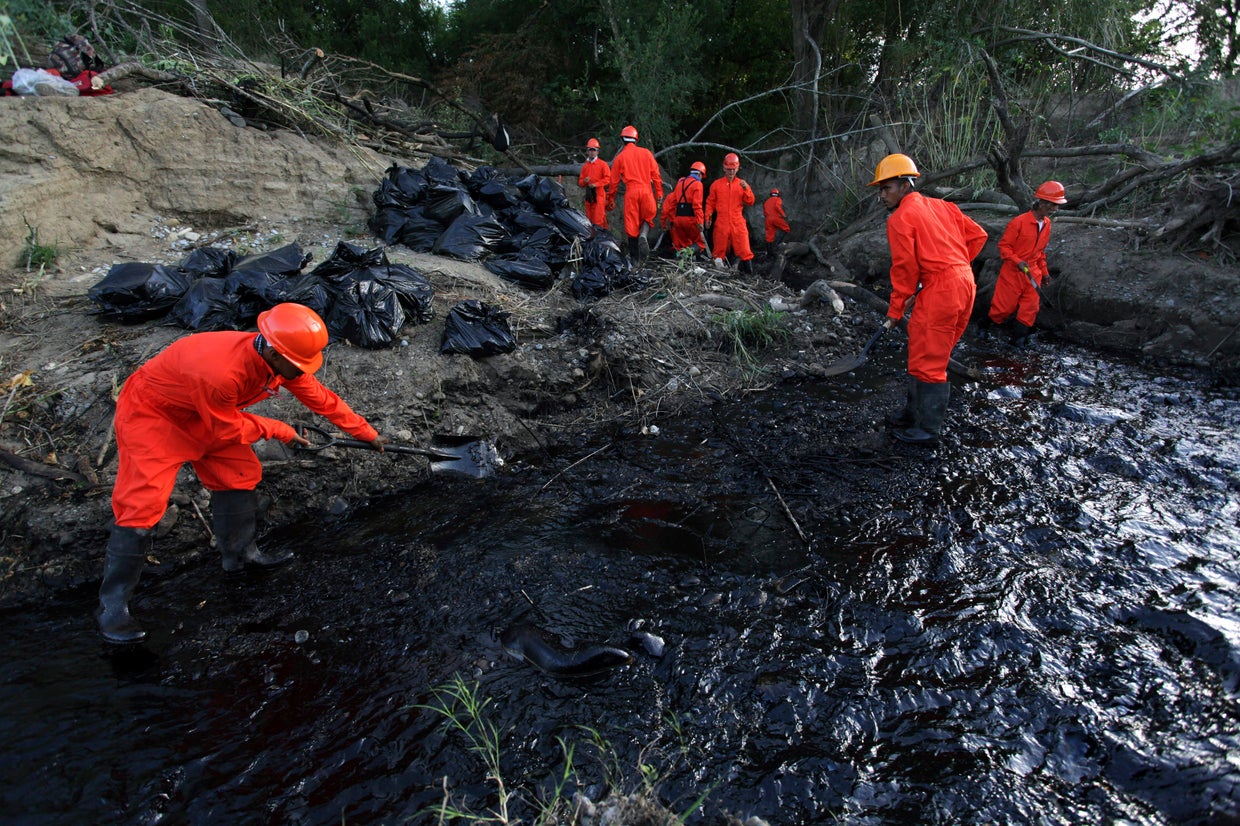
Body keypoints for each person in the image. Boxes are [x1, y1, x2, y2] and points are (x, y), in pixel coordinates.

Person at [97, 303, 388, 644]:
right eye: (298, 365)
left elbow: (319, 397)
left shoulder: (278, 362)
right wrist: (279, 430)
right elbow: (224, 429)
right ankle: (112, 607)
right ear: (274, 351)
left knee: (238, 474)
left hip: (207, 413)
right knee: (142, 504)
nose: (301, 372)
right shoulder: (220, 372)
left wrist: (365, 432)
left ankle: (240, 557)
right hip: (155, 415)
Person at [869, 153, 988, 445]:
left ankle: (928, 431)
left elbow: (905, 269)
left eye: (887, 188)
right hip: (964, 284)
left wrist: (897, 309)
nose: (882, 195)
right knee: (926, 351)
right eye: (880, 189)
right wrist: (954, 267)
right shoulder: (942, 206)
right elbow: (978, 236)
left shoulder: (900, 218)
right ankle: (912, 415)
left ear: (906, 184)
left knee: (929, 360)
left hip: (942, 291)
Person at [988, 180, 1067, 345]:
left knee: (1029, 311)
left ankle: (1018, 344)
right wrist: (1017, 261)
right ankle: (984, 328)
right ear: (1042, 204)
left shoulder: (1047, 224)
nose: (1055, 209)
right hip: (1012, 274)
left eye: (1056, 206)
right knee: (1002, 310)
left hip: (1033, 274)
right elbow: (1004, 247)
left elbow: (1040, 253)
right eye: (1053, 205)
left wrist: (1044, 273)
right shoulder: (1018, 222)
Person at [605, 124, 663, 264]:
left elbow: (613, 183)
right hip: (646, 191)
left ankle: (635, 260)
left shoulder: (620, 158)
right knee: (649, 216)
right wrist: (659, 194)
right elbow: (656, 175)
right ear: (636, 140)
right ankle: (644, 234)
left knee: (631, 227)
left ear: (622, 140)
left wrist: (610, 199)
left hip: (631, 193)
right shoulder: (647, 153)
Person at [704, 152, 756, 274]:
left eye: (733, 169)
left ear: (737, 168)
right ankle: (719, 276)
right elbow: (710, 203)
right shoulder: (716, 185)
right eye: (728, 169)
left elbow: (751, 201)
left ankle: (751, 276)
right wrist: (708, 217)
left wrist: (747, 189)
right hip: (722, 222)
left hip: (737, 221)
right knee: (719, 250)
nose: (731, 172)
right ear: (724, 168)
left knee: (745, 249)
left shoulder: (742, 184)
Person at [660, 161, 708, 256]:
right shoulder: (698, 184)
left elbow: (669, 206)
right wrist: (700, 222)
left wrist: (666, 223)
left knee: (683, 244)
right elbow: (697, 206)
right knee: (700, 244)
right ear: (699, 174)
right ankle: (685, 256)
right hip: (691, 220)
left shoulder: (680, 183)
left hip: (678, 220)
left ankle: (682, 259)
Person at [577, 137, 611, 231]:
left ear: (597, 151)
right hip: (589, 197)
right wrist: (585, 181)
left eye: (594, 150)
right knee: (589, 222)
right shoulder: (585, 166)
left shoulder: (603, 165)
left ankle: (600, 240)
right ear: (587, 151)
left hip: (599, 195)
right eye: (590, 150)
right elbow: (580, 182)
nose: (592, 152)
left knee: (598, 221)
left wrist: (596, 184)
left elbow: (608, 179)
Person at [763, 187, 791, 254]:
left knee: (769, 237)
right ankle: (777, 244)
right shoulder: (778, 199)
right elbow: (777, 207)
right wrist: (783, 215)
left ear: (771, 194)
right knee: (786, 229)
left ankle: (769, 253)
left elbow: (764, 213)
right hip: (776, 218)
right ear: (777, 194)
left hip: (768, 219)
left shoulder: (766, 202)